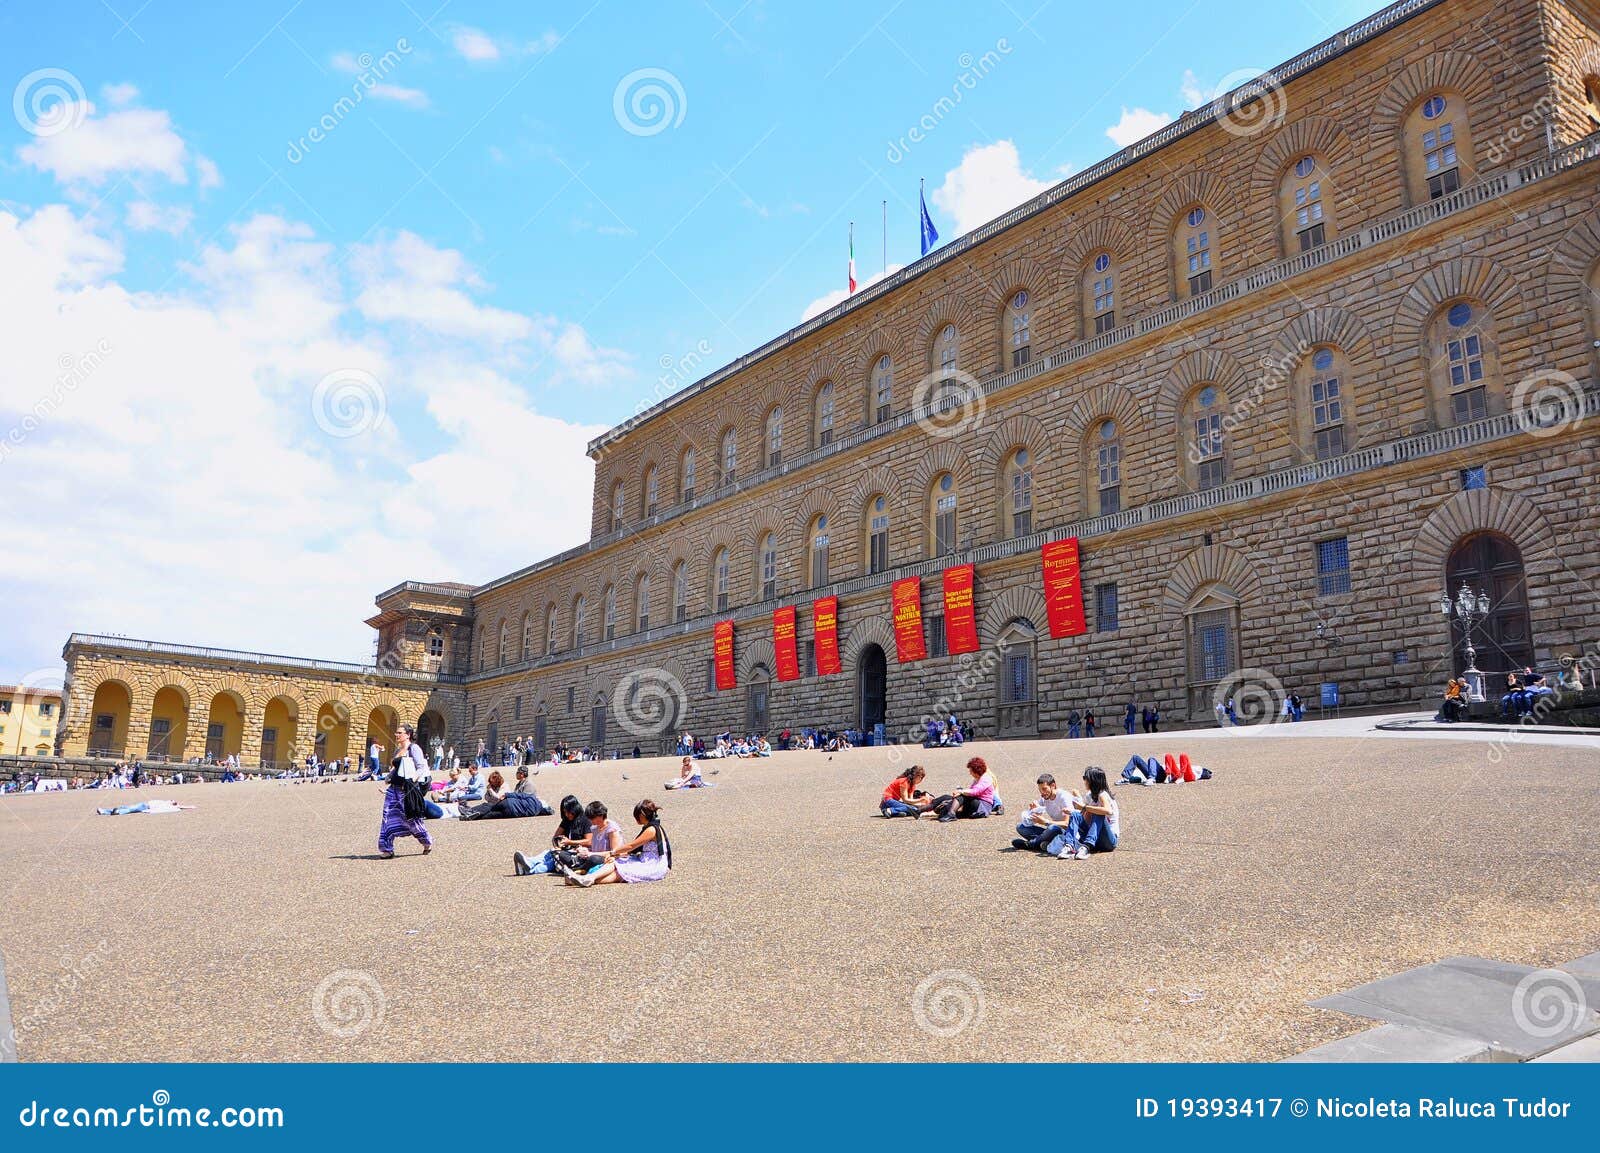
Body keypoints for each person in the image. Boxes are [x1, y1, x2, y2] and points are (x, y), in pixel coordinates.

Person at [562, 799, 672, 887]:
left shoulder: (652, 830)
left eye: (637, 816)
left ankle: (588, 878)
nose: (636, 819)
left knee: (619, 872)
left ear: (642, 815)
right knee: (616, 864)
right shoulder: (650, 827)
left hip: (653, 864)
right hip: (645, 859)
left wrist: (613, 853)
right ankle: (588, 878)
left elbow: (631, 846)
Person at [377, 724, 433, 858]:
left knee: (411, 818)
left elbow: (421, 767)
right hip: (393, 789)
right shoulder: (397, 751)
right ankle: (387, 848)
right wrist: (388, 777)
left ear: (408, 735)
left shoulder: (414, 748)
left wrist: (413, 779)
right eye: (396, 733)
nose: (397, 735)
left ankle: (426, 841)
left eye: (400, 733)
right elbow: (395, 768)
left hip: (406, 790)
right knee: (387, 816)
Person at [1046, 767, 1119, 860]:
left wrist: (1084, 807)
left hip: (1108, 841)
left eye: (1086, 778)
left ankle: (1086, 847)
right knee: (1075, 815)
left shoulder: (1103, 794)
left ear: (1093, 781)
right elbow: (1086, 817)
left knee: (1098, 812)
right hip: (1095, 839)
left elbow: (1108, 811)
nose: (1084, 781)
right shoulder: (1089, 795)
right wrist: (1075, 812)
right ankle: (1068, 846)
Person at [513, 795, 589, 874]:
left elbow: (589, 841)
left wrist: (570, 842)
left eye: (569, 812)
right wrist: (558, 844)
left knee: (553, 860)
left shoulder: (585, 820)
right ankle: (530, 863)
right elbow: (556, 836)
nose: (567, 815)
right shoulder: (567, 820)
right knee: (549, 853)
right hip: (567, 850)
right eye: (565, 812)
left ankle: (529, 870)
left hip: (579, 853)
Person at [460, 767, 550, 821]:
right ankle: (473, 815)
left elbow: (523, 796)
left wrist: (507, 795)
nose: (516, 774)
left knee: (490, 807)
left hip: (510, 804)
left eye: (517, 773)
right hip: (513, 809)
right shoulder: (520, 785)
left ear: (522, 774)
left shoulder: (529, 784)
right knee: (493, 813)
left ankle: (471, 812)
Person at [1013, 773, 1074, 850]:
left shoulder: (1064, 797)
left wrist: (1046, 822)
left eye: (1044, 789)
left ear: (1053, 786)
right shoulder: (1044, 798)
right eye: (1040, 790)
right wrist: (1032, 811)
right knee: (1020, 827)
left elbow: (1067, 824)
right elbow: (1032, 818)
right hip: (1052, 831)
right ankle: (1046, 843)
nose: (1042, 793)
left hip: (1067, 832)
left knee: (1053, 828)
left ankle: (1031, 844)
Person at [931, 756, 998, 822]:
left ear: (976, 770)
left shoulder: (986, 779)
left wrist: (961, 791)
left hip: (983, 807)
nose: (970, 773)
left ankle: (951, 814)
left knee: (963, 795)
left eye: (971, 771)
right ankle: (948, 812)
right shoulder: (977, 779)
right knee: (949, 803)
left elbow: (975, 792)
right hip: (976, 805)